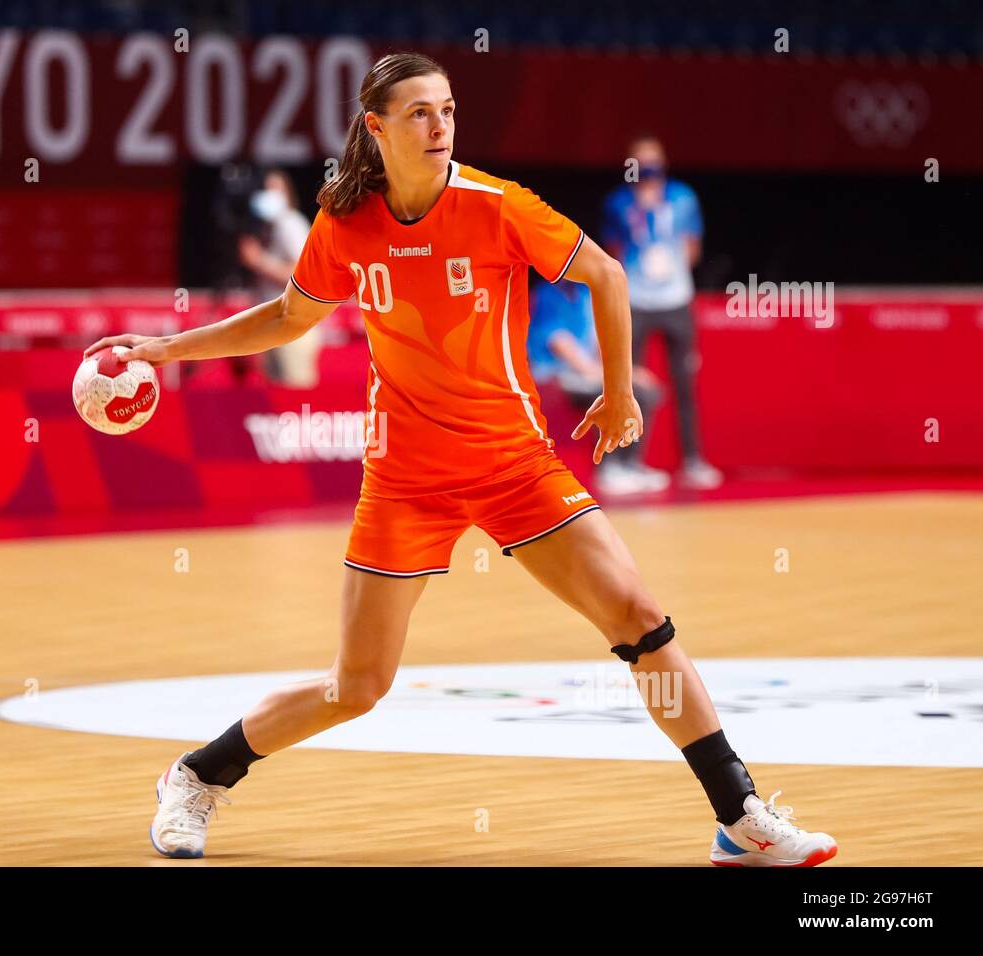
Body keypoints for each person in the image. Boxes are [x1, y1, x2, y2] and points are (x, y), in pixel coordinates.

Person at [84, 53, 836, 867]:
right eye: (418, 113)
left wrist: (619, 394)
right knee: (358, 686)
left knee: (640, 623)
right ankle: (197, 776)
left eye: (446, 110)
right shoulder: (347, 224)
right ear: (376, 128)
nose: (439, 125)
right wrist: (167, 347)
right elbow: (287, 318)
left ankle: (740, 816)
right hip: (405, 480)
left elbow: (607, 275)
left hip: (513, 463)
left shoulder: (497, 206)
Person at [601, 136, 723, 490]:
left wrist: (670, 271)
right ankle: (622, 465)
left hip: (676, 300)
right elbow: (614, 253)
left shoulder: (683, 198)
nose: (647, 173)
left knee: (685, 383)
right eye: (640, 165)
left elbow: (692, 247)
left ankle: (693, 461)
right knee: (627, 383)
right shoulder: (618, 203)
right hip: (637, 302)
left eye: (653, 165)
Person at [528, 278, 670, 495]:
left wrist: (625, 374)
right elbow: (559, 343)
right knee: (607, 393)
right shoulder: (547, 295)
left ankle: (630, 465)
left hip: (590, 374)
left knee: (640, 392)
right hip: (555, 376)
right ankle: (609, 470)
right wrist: (606, 377)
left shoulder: (586, 294)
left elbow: (600, 340)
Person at [237, 169, 323, 388]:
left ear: (287, 193)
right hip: (271, 325)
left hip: (295, 327)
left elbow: (304, 275)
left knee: (297, 400)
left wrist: (259, 261)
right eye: (266, 189)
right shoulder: (264, 227)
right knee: (275, 399)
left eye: (275, 189)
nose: (269, 194)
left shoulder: (291, 224)